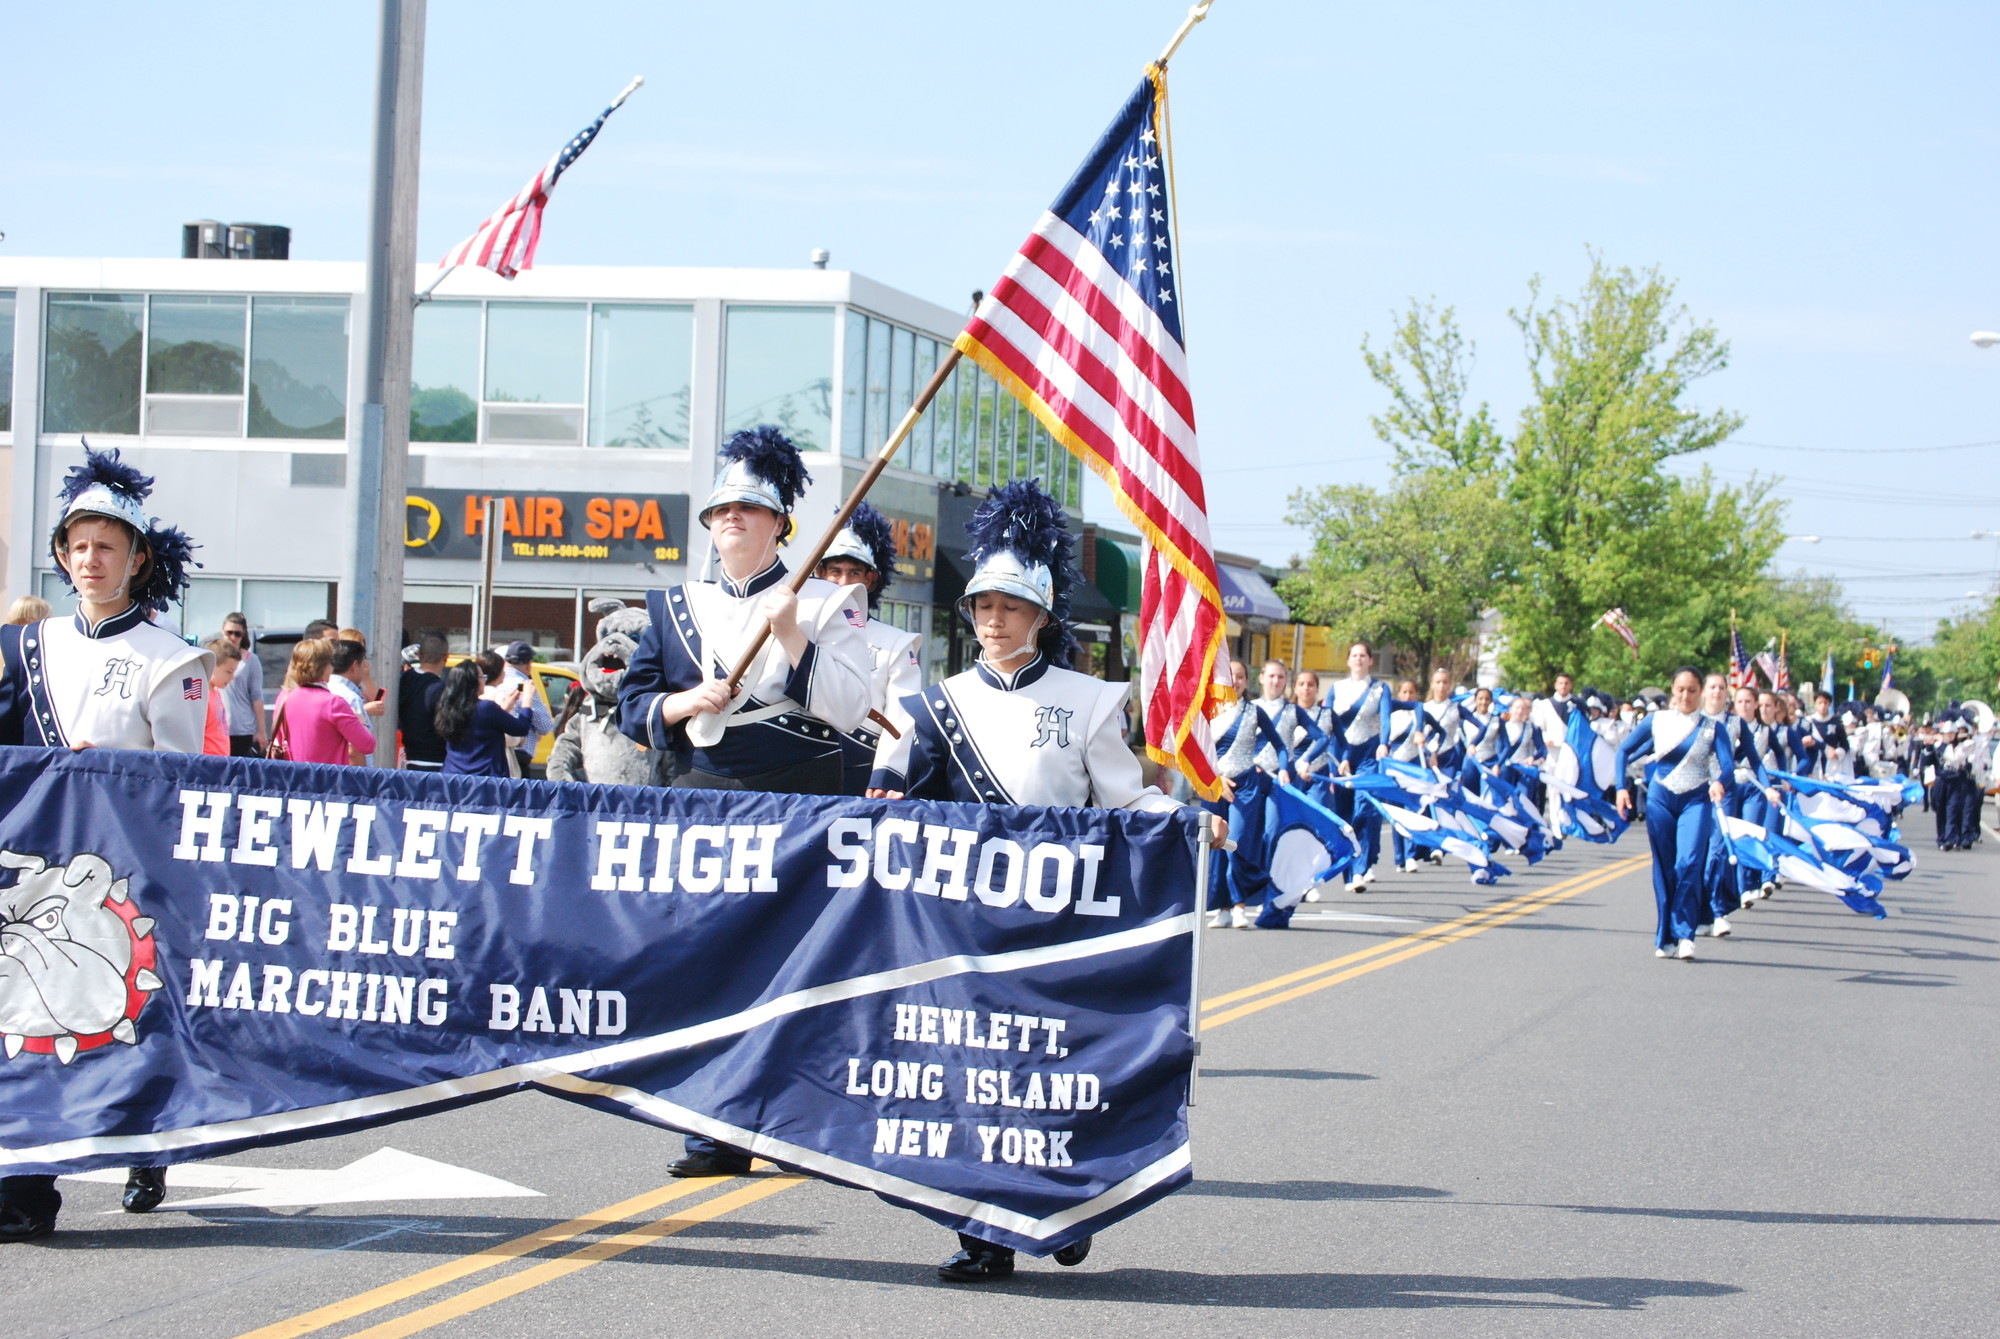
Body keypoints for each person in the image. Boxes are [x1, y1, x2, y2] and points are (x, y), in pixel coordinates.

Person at [883, 477, 1197, 1284]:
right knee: (973, 1077)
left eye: (1011, 608)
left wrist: (1187, 819)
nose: (993, 621)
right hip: (964, 922)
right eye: (984, 606)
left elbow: (1127, 801)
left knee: (1052, 1071)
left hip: (1059, 918)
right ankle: (983, 1233)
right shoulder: (937, 704)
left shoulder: (1089, 700)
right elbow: (904, 808)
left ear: (1042, 620)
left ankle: (1063, 1200)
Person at [618, 425, 873, 1178]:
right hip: (707, 796)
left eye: (749, 510)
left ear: (780, 525)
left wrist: (794, 637)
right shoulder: (672, 604)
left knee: (795, 967)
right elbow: (631, 702)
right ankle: (714, 1124)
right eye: (720, 511)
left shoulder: (829, 601)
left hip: (800, 797)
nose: (730, 519)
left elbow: (853, 706)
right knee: (712, 965)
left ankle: (794, 1119)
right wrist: (680, 701)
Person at [0, 444, 212, 1240]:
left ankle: (146, 1137)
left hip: (133, 874)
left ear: (136, 558)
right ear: (61, 554)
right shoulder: (26, 645)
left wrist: (110, 775)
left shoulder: (170, 657)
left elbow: (185, 779)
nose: (92, 560)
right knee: (25, 1022)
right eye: (79, 545)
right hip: (37, 877)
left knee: (133, 1015)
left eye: (107, 546)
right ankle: (22, 1192)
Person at [1616, 667, 1732, 962]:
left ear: (1701, 693)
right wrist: (1620, 787)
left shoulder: (1712, 728)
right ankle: (1665, 936)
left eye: (1693, 690)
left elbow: (1727, 765)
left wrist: (1720, 781)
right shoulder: (1657, 721)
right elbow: (1623, 751)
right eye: (1681, 689)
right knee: (1665, 869)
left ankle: (1685, 934)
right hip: (1661, 800)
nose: (1686, 696)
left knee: (1689, 863)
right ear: (1672, 690)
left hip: (1696, 800)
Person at [811, 502, 923, 797]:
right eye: (835, 571)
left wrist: (887, 774)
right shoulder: (798, 628)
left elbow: (902, 715)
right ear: (820, 572)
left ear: (870, 579)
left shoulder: (897, 643)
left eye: (854, 573)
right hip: (800, 766)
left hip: (861, 773)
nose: (843, 582)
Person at [1311, 641, 1390, 891]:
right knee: (1344, 813)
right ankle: (1349, 873)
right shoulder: (1336, 688)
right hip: (1340, 754)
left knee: (1364, 810)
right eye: (1354, 655)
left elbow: (1386, 719)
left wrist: (1384, 743)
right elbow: (1326, 722)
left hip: (1368, 752)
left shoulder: (1380, 689)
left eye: (1363, 655)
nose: (1358, 659)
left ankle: (1360, 869)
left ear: (1370, 660)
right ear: (1348, 660)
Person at [545, 599, 651, 786]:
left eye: (634, 639)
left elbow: (670, 765)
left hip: (642, 807)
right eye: (607, 636)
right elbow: (569, 745)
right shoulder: (588, 711)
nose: (612, 643)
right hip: (597, 804)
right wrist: (560, 775)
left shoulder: (655, 709)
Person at [270, 639, 376, 766]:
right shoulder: (333, 703)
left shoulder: (285, 697)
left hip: (293, 779)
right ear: (325, 667)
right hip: (327, 780)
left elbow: (279, 738)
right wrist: (361, 722)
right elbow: (367, 745)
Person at [437, 651, 532, 778]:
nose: (484, 681)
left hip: (453, 777)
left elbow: (480, 724)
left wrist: (502, 709)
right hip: (484, 781)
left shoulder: (447, 708)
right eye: (482, 677)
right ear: (473, 682)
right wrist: (527, 700)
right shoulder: (486, 707)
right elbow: (521, 728)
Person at [218, 612, 269, 757]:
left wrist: (261, 731)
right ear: (222, 631)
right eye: (229, 633)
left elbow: (257, 696)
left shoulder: (250, 661)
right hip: (219, 727)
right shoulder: (213, 657)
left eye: (237, 634)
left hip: (242, 728)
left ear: (243, 635)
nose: (233, 637)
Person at [500, 641, 555, 775]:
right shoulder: (525, 686)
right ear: (529, 664)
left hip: (494, 752)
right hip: (518, 754)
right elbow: (545, 726)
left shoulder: (496, 681)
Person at [399, 633, 450, 773]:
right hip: (435, 761)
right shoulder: (441, 689)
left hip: (407, 756)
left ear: (420, 655)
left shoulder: (404, 680)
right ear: (446, 657)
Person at [200, 635, 242, 755]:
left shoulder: (216, 693)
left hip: (220, 762)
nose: (232, 677)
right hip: (208, 763)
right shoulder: (202, 697)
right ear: (212, 666)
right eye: (229, 671)